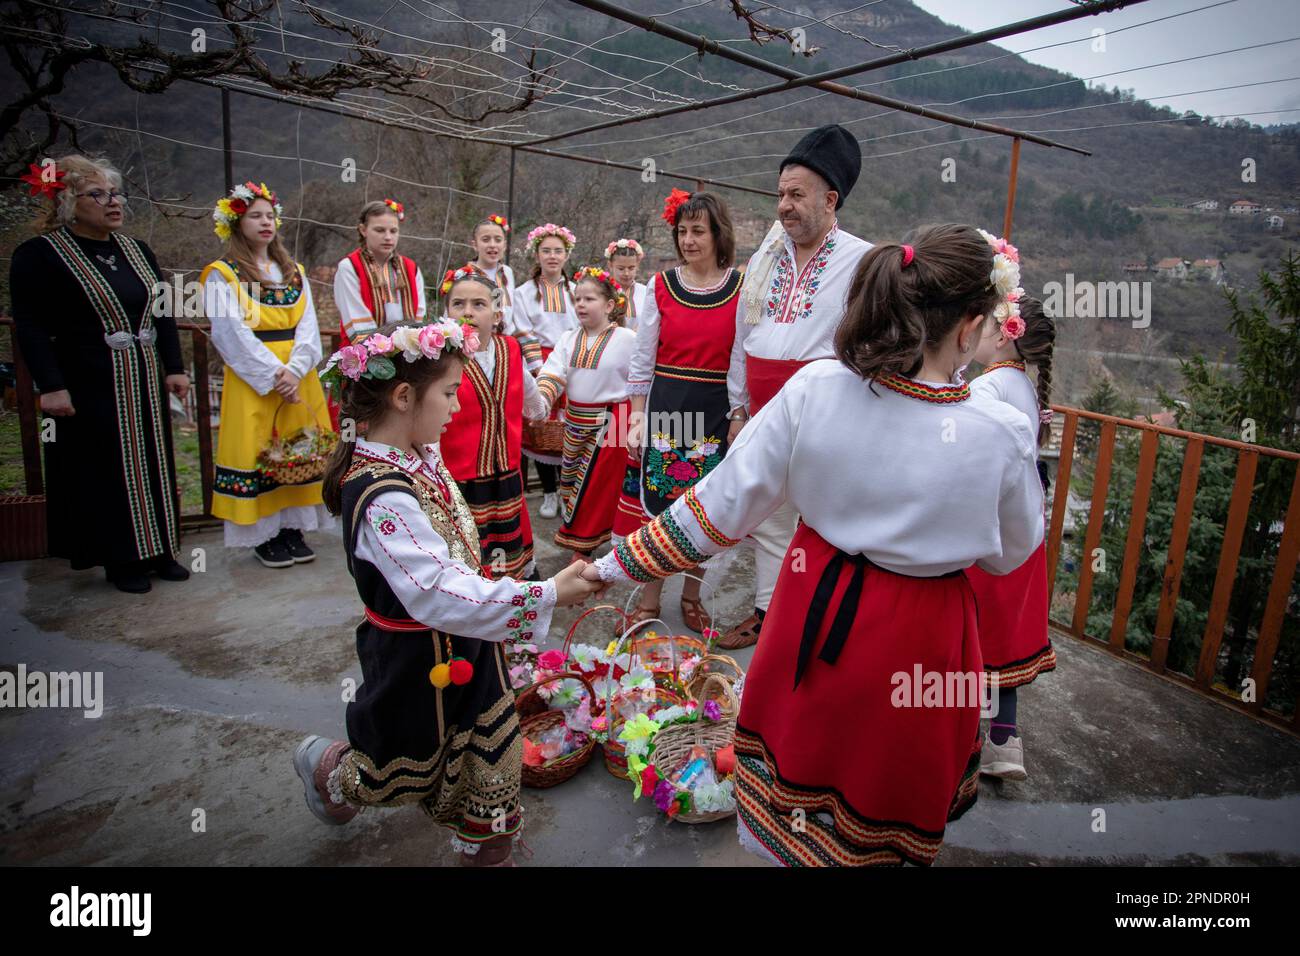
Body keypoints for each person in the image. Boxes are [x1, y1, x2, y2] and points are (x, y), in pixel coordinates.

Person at [584, 223, 1044, 866]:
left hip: (815, 602)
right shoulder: (1000, 430)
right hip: (924, 634)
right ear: (970, 328)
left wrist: (608, 565)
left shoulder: (818, 388)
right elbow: (1011, 552)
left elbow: (718, 505)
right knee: (887, 797)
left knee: (795, 779)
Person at [293, 318, 602, 867]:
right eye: (451, 392)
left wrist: (510, 593)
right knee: (396, 768)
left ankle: (490, 848)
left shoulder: (422, 454)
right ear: (405, 396)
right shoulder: (381, 494)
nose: (459, 406)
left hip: (470, 647)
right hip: (413, 663)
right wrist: (544, 593)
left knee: (494, 763)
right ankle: (331, 772)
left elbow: (456, 564)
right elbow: (434, 591)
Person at [720, 124, 873, 650]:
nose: (783, 206)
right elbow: (744, 338)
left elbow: (873, 347)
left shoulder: (863, 262)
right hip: (763, 410)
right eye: (780, 194)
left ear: (831, 200)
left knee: (820, 524)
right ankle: (769, 616)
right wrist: (738, 409)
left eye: (796, 195)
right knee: (767, 519)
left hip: (824, 418)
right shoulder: (766, 258)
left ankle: (815, 623)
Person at [10, 154, 190, 593]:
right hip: (89, 378)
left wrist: (174, 366)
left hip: (143, 376)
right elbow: (30, 325)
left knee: (150, 459)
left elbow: (162, 312)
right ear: (69, 201)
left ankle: (160, 549)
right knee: (104, 466)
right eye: (99, 195)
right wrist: (50, 386)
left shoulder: (136, 250)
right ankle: (121, 558)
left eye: (115, 194)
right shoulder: (41, 255)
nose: (114, 203)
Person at [618, 190, 741, 633]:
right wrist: (635, 416)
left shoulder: (739, 288)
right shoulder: (661, 287)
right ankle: (649, 601)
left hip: (714, 413)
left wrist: (739, 418)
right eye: (682, 232)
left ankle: (692, 597)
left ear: (717, 234)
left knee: (706, 512)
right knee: (662, 511)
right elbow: (642, 357)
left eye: (698, 231)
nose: (688, 240)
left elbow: (740, 359)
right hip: (668, 409)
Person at [201, 181, 333, 567]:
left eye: (269, 216)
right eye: (254, 216)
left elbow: (308, 325)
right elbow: (229, 333)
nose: (265, 223)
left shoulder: (293, 272)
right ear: (236, 223)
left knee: (298, 448)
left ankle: (293, 529)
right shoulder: (222, 274)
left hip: (298, 374)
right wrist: (275, 375)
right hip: (255, 379)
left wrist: (295, 370)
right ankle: (265, 536)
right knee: (258, 448)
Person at [966, 255, 1058, 780]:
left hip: (990, 528)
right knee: (1004, 637)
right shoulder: (1023, 384)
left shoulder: (987, 388)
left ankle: (960, 742)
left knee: (972, 637)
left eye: (985, 320)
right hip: (1024, 527)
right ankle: (1004, 741)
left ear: (1004, 334)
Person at [437, 266, 549, 580]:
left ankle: (510, 591)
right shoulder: (440, 357)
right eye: (458, 304)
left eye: (479, 304)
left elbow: (530, 395)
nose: (468, 312)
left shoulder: (510, 349)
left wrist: (542, 412)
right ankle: (475, 597)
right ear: (446, 312)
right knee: (470, 550)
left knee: (508, 548)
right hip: (461, 478)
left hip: (507, 474)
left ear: (496, 314)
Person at [534, 266, 636, 558]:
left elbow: (641, 380)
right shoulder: (568, 339)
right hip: (575, 423)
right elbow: (552, 373)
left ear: (608, 305)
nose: (580, 304)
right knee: (571, 484)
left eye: (589, 299)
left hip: (612, 425)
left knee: (593, 489)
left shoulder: (627, 339)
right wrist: (540, 399)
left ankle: (583, 549)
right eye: (577, 298)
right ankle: (594, 540)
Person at [512, 223, 579, 518]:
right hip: (538, 363)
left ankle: (568, 492)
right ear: (536, 255)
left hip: (573, 363)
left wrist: (573, 364)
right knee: (541, 428)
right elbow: (524, 333)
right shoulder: (523, 293)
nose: (552, 256)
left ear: (566, 255)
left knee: (570, 428)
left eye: (558, 251)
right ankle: (549, 494)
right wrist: (541, 370)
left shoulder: (576, 291)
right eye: (546, 251)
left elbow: (581, 330)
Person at [333, 198, 426, 347]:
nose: (388, 237)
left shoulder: (411, 268)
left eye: (393, 231)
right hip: (364, 355)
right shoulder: (350, 267)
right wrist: (384, 350)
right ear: (363, 230)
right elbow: (357, 323)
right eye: (380, 230)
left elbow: (419, 317)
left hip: (407, 354)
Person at [468, 214, 516, 333]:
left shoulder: (507, 272)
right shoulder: (464, 274)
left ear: (504, 245)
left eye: (498, 240)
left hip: (505, 340)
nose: (492, 245)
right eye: (485, 240)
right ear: (475, 245)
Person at [605, 237, 647, 331]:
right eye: (621, 268)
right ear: (610, 265)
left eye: (631, 268)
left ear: (637, 266)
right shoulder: (603, 291)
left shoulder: (646, 292)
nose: (626, 273)